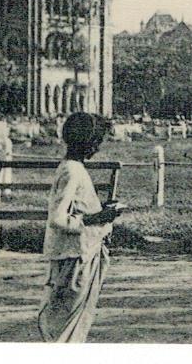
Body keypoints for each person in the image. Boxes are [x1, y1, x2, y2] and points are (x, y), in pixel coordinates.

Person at [37, 112, 122, 342]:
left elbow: (77, 209)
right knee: (64, 323)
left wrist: (100, 211)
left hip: (79, 253)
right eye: (98, 142)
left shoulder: (72, 167)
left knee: (71, 321)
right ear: (89, 143)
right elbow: (58, 218)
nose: (98, 148)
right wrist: (98, 218)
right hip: (75, 257)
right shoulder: (72, 171)